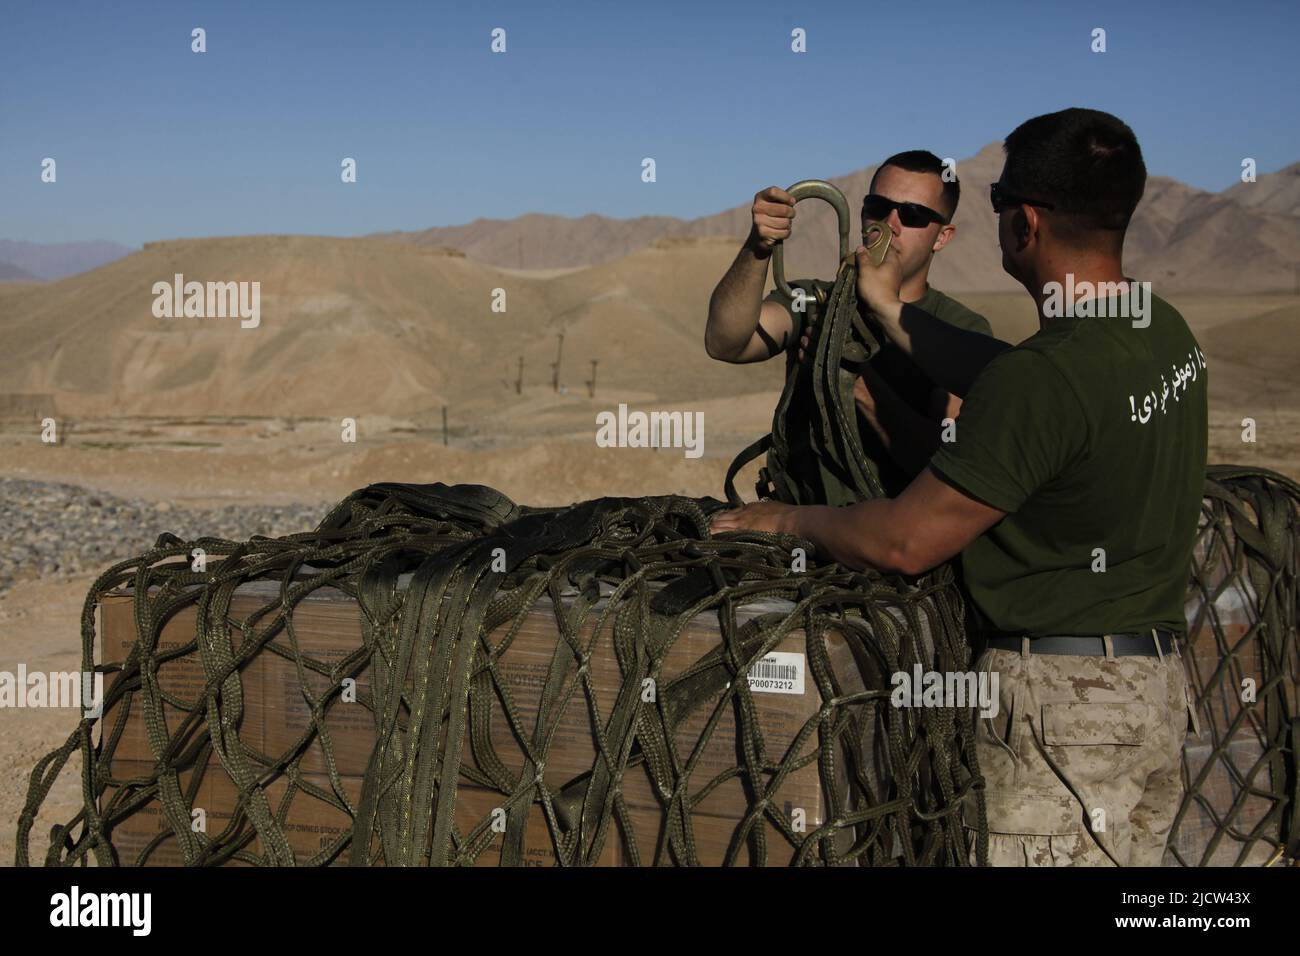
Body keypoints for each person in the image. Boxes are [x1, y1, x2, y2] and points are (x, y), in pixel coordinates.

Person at [711, 108, 1208, 867]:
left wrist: (782, 521)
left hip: (1060, 711)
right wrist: (884, 306)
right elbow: (1008, 375)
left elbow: (906, 542)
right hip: (1154, 696)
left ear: (1025, 224)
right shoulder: (1161, 330)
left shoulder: (1044, 379)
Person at [705, 151, 992, 494]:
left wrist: (853, 383)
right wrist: (759, 247)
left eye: (913, 215)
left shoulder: (958, 329)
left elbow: (944, 465)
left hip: (882, 532)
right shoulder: (814, 301)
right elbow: (726, 342)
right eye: (878, 206)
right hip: (791, 524)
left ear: (943, 237)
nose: (890, 224)